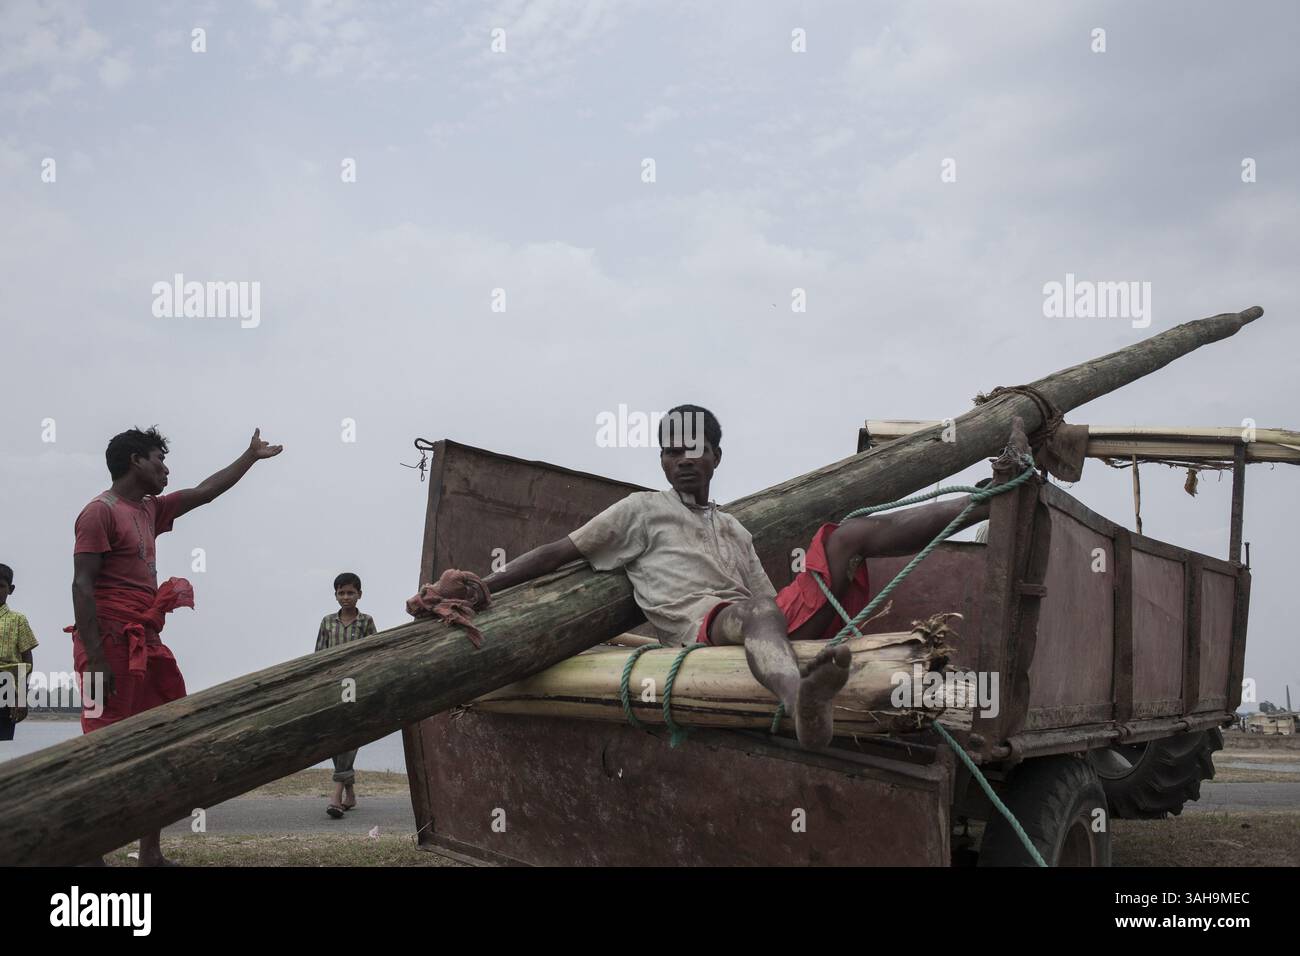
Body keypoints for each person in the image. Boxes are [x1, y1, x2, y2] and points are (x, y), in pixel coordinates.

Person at [432, 404, 996, 750]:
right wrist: (484, 586)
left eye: (695, 449)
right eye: (671, 450)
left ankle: (987, 500)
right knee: (756, 612)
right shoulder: (641, 510)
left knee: (847, 534)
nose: (683, 459)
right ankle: (802, 701)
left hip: (763, 623)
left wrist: (791, 620)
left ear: (716, 457)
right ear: (660, 461)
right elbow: (558, 552)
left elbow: (770, 601)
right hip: (704, 626)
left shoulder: (733, 529)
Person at [70, 426, 282, 865]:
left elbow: (205, 492)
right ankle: (88, 852)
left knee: (160, 740)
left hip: (145, 641)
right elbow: (82, 585)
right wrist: (93, 658)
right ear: (134, 461)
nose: (166, 469)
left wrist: (250, 457)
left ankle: (151, 852)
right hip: (103, 644)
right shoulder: (99, 512)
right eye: (158, 459)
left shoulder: (149, 510)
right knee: (100, 749)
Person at [313, 572, 378, 819]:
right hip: (332, 686)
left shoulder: (366, 622)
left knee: (349, 736)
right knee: (335, 737)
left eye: (351, 592)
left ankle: (336, 795)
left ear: (360, 594)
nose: (346, 597)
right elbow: (318, 656)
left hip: (357, 685)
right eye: (342, 593)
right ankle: (350, 793)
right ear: (336, 595)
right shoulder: (327, 622)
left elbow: (374, 654)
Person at [0, 564, 38, 741]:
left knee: (3, 744)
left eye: (1, 586)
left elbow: (27, 661)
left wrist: (21, 698)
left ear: (10, 589)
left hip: (7, 688)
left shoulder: (18, 620)